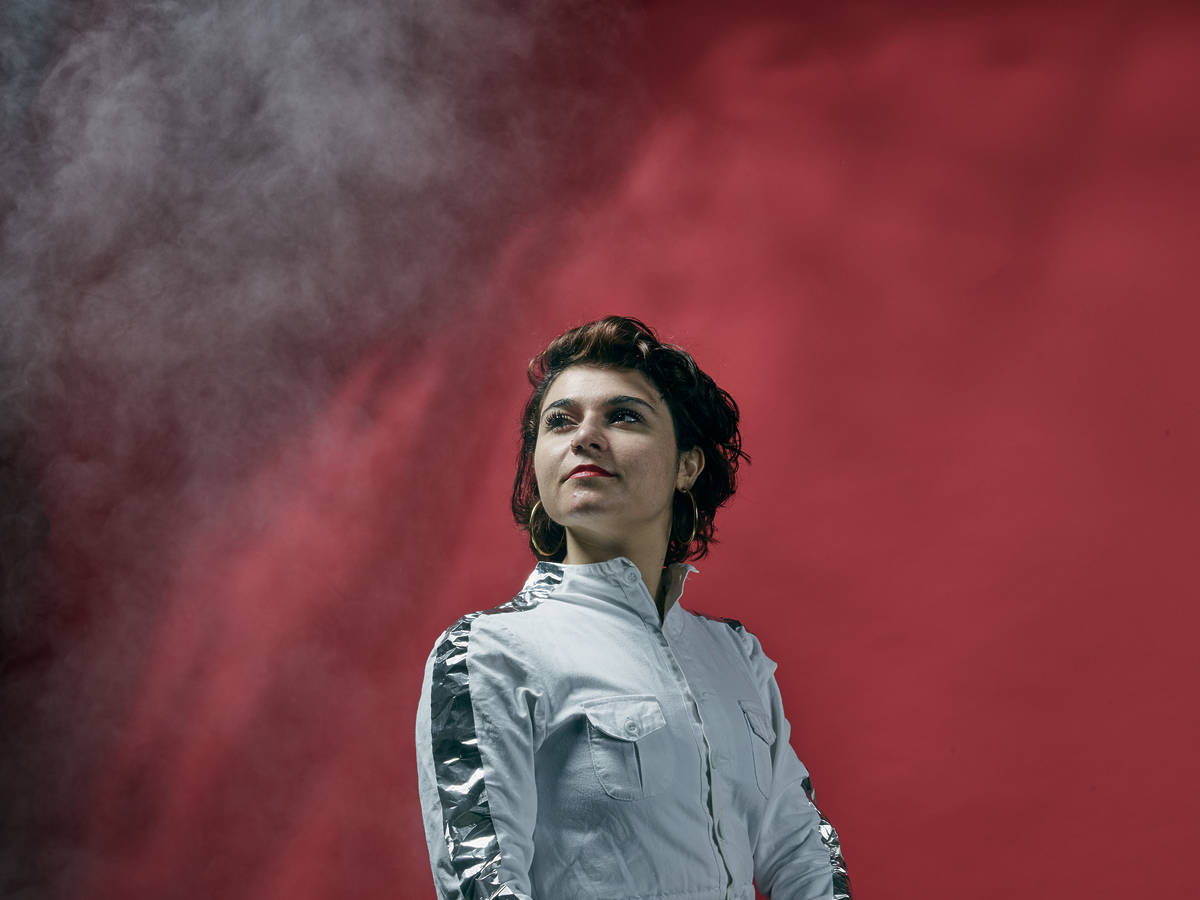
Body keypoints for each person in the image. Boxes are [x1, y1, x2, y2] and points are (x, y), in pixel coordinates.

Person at [415, 316, 851, 900]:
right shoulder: (490, 653)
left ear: (687, 465)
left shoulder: (736, 656)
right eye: (560, 421)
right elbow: (483, 884)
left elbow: (802, 856)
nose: (584, 437)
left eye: (623, 416)